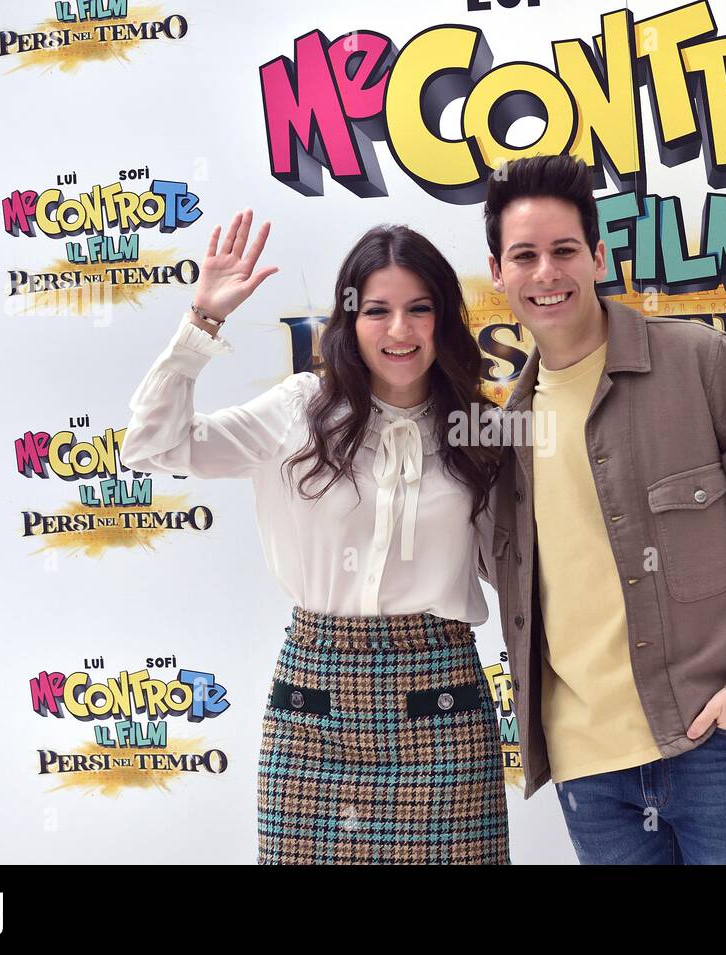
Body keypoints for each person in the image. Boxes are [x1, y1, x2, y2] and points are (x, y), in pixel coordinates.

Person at [120, 209, 508, 864]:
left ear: (445, 318)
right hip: (316, 704)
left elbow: (524, 567)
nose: (400, 330)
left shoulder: (479, 430)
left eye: (420, 308)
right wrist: (202, 323)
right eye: (377, 310)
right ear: (348, 321)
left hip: (444, 704)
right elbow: (153, 446)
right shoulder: (298, 409)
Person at [479, 156, 726, 865]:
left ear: (598, 255)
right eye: (525, 256)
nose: (547, 273)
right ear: (498, 273)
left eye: (565, 250)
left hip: (715, 744)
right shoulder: (504, 429)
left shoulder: (700, 362)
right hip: (589, 769)